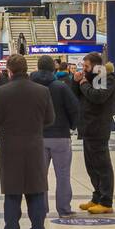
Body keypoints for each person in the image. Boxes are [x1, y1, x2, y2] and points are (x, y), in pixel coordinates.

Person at [0, 54, 55, 229]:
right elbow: (50, 119)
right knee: (36, 192)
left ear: (9, 71)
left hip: (10, 149)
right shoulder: (42, 91)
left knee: (12, 194)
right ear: (26, 69)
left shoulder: (0, 93)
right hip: (34, 147)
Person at [31, 55, 80, 216]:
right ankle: (64, 209)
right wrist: (71, 126)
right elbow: (74, 108)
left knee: (40, 176)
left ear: (38, 68)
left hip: (37, 137)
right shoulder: (61, 87)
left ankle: (41, 209)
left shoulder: (31, 87)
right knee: (63, 175)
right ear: (54, 69)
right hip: (60, 136)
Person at [74, 52, 115, 213]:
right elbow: (77, 95)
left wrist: (83, 83)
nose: (84, 69)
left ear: (95, 66)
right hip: (87, 128)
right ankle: (97, 196)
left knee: (102, 166)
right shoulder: (90, 79)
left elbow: (97, 97)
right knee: (91, 166)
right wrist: (76, 81)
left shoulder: (108, 78)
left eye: (86, 66)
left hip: (98, 128)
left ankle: (106, 202)